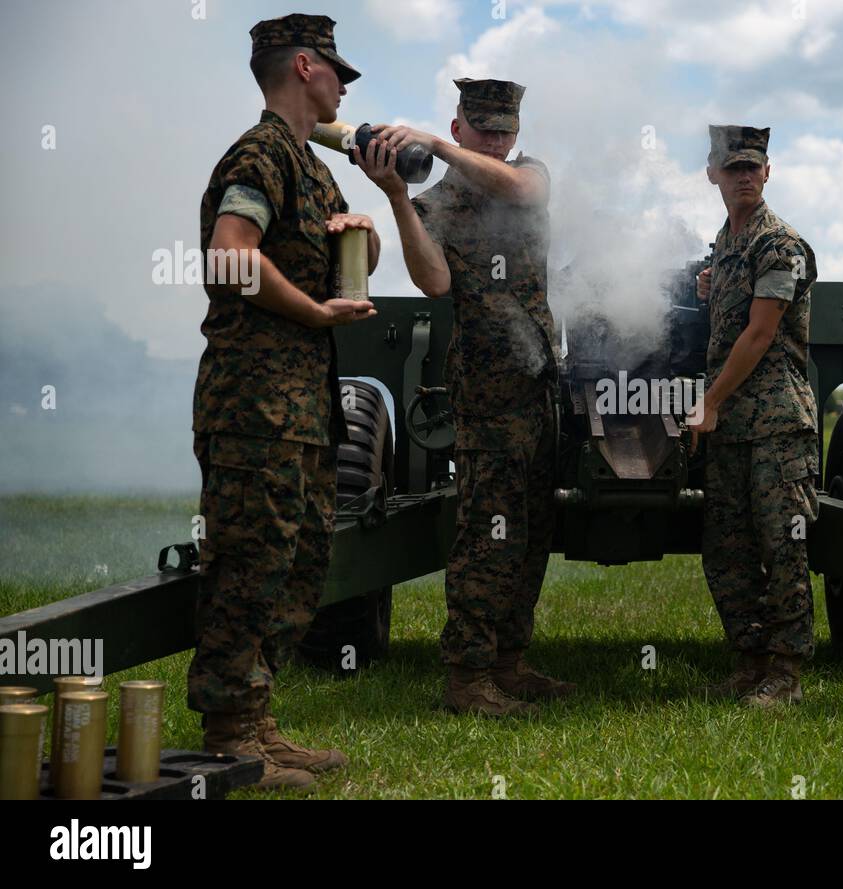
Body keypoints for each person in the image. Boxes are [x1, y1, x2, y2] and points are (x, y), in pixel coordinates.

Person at [190, 14, 378, 788]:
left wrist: (363, 235)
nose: (344, 84)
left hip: (300, 408)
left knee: (296, 563)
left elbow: (345, 263)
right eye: (338, 70)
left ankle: (261, 724)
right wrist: (309, 310)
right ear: (305, 66)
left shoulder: (311, 166)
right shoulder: (260, 154)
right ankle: (232, 732)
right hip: (254, 409)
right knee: (249, 565)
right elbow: (229, 257)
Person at [367, 78, 574, 716]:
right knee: (490, 535)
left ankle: (509, 662)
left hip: (539, 387)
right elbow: (432, 281)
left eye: (505, 131)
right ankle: (467, 675)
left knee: (534, 531)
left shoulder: (525, 177)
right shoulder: (438, 205)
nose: (497, 141)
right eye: (482, 129)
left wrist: (434, 145)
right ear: (459, 127)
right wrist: (400, 197)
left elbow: (522, 188)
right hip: (487, 395)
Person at [691, 124, 820, 708]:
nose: (743, 177)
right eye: (732, 167)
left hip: (775, 424)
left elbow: (762, 331)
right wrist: (710, 285)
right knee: (728, 547)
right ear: (712, 173)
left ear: (767, 173)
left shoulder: (780, 244)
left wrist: (709, 401)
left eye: (753, 167)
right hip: (732, 426)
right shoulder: (726, 243)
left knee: (782, 545)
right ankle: (749, 661)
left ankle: (786, 673)